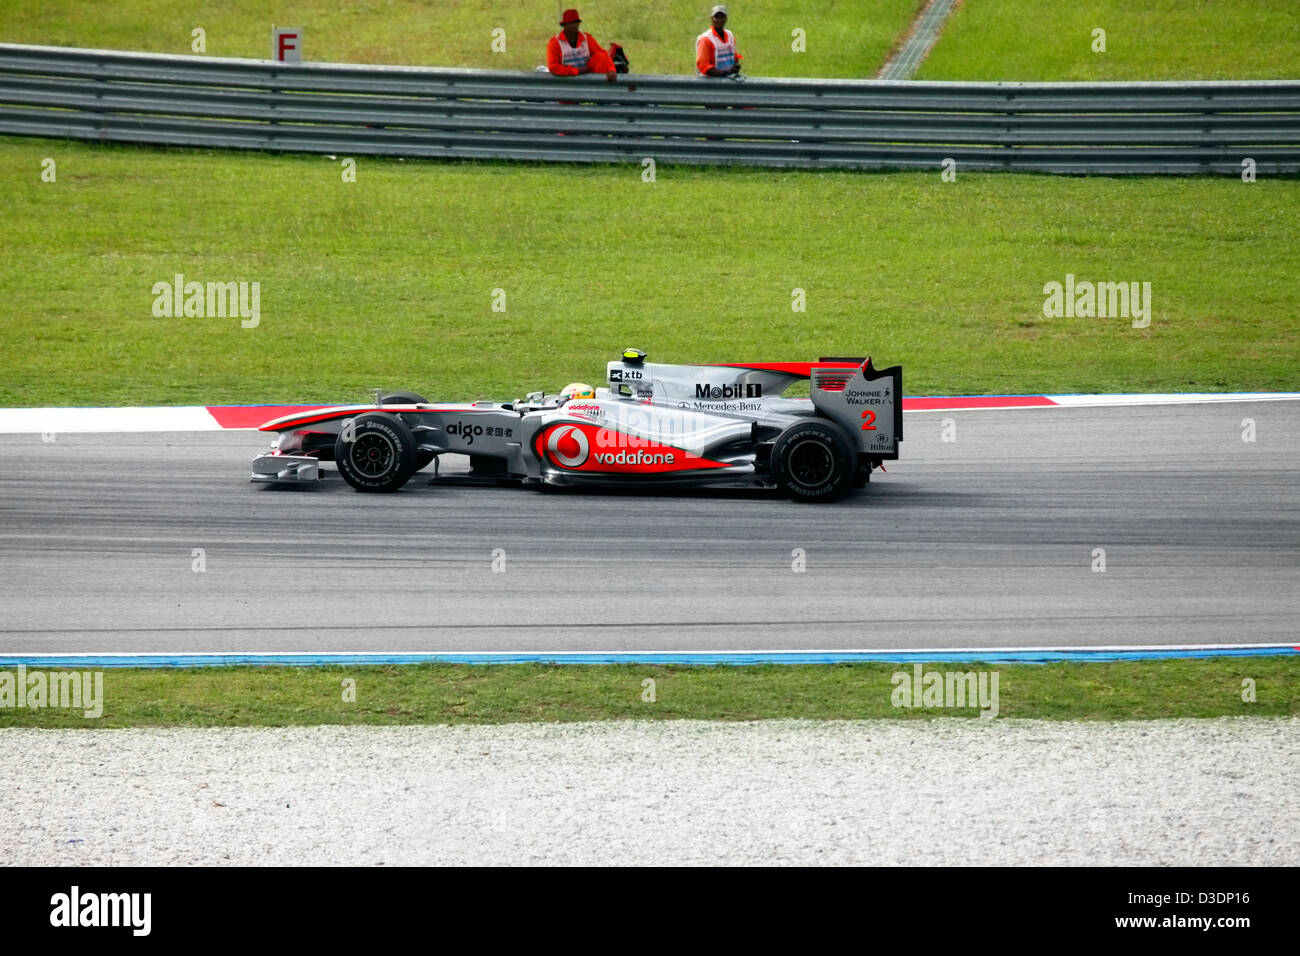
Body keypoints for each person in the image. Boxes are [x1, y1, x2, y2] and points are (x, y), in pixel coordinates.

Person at [547, 9, 617, 79]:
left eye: (576, 23)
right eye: (571, 23)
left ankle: (599, 83)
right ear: (564, 25)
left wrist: (611, 70)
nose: (575, 26)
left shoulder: (586, 38)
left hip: (587, 75)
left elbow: (604, 55)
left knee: (601, 56)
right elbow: (553, 66)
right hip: (566, 79)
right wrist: (576, 71)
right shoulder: (555, 42)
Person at [696, 5, 742, 77]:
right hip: (709, 82)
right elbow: (704, 66)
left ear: (726, 19)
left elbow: (734, 56)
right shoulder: (705, 39)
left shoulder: (730, 35)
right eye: (717, 17)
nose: (720, 20)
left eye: (722, 17)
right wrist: (726, 73)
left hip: (727, 79)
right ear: (711, 19)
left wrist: (736, 66)